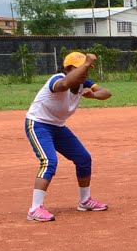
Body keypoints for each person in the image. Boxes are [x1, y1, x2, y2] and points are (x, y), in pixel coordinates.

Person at [24, 51, 112, 222]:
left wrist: (93, 94)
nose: (85, 72)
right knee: (49, 161)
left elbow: (107, 92)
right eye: (80, 68)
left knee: (83, 158)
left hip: (58, 127)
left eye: (87, 68)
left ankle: (85, 201)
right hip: (38, 124)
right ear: (68, 68)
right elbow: (64, 84)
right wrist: (86, 63)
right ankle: (34, 209)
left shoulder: (83, 83)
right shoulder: (57, 79)